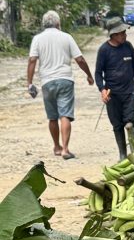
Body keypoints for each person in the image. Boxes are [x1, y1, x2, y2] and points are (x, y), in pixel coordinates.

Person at [26, 10, 94, 160]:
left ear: (44, 24)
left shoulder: (38, 39)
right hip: (65, 79)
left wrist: (29, 83)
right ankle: (66, 149)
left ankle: (56, 147)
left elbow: (32, 60)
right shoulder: (66, 37)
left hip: (47, 82)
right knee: (65, 115)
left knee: (52, 117)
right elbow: (80, 59)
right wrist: (89, 75)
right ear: (58, 23)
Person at [95, 19, 134, 161]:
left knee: (130, 122)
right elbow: (98, 73)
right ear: (114, 34)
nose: (125, 35)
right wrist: (102, 90)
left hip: (129, 92)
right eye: (122, 33)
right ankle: (122, 155)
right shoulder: (104, 50)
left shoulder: (128, 47)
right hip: (113, 95)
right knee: (117, 125)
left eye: (125, 32)